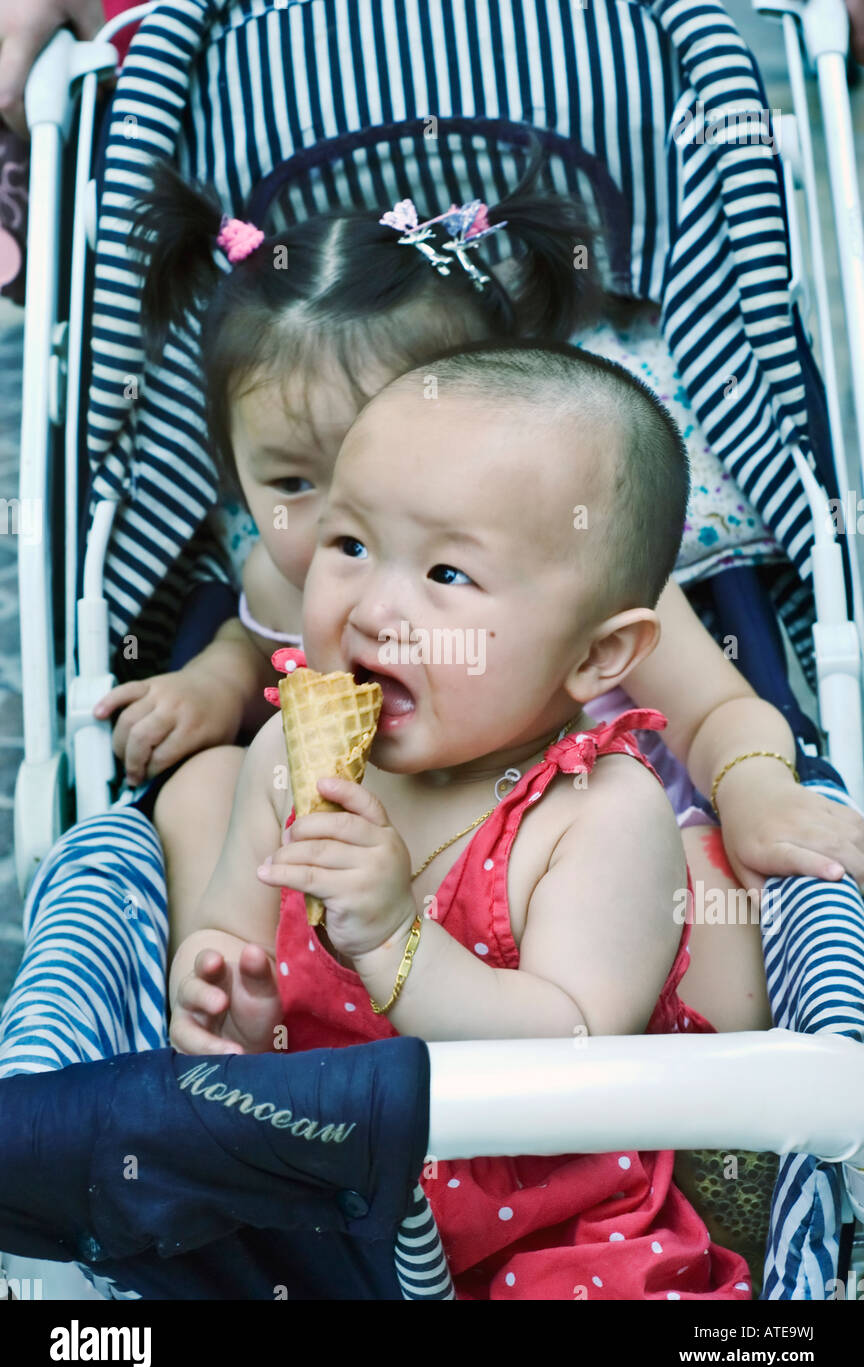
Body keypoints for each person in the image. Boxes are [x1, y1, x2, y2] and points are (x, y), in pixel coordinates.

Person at [107, 158, 864, 1036]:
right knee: (208, 783)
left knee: (708, 886)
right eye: (342, 529)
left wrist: (755, 790)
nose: (359, 584)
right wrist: (210, 687)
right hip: (367, 912)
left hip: (571, 902)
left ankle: (722, 1112)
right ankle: (233, 988)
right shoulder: (300, 617)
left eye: (442, 569)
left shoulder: (586, 584)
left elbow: (719, 711)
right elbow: (254, 647)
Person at [165, 339, 750, 1300]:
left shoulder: (598, 814)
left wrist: (400, 942)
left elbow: (574, 1043)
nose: (374, 606)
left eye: (447, 576)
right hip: (315, 1196)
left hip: (550, 1229)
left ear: (599, 656)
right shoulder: (287, 758)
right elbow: (235, 928)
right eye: (349, 545)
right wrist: (226, 989)